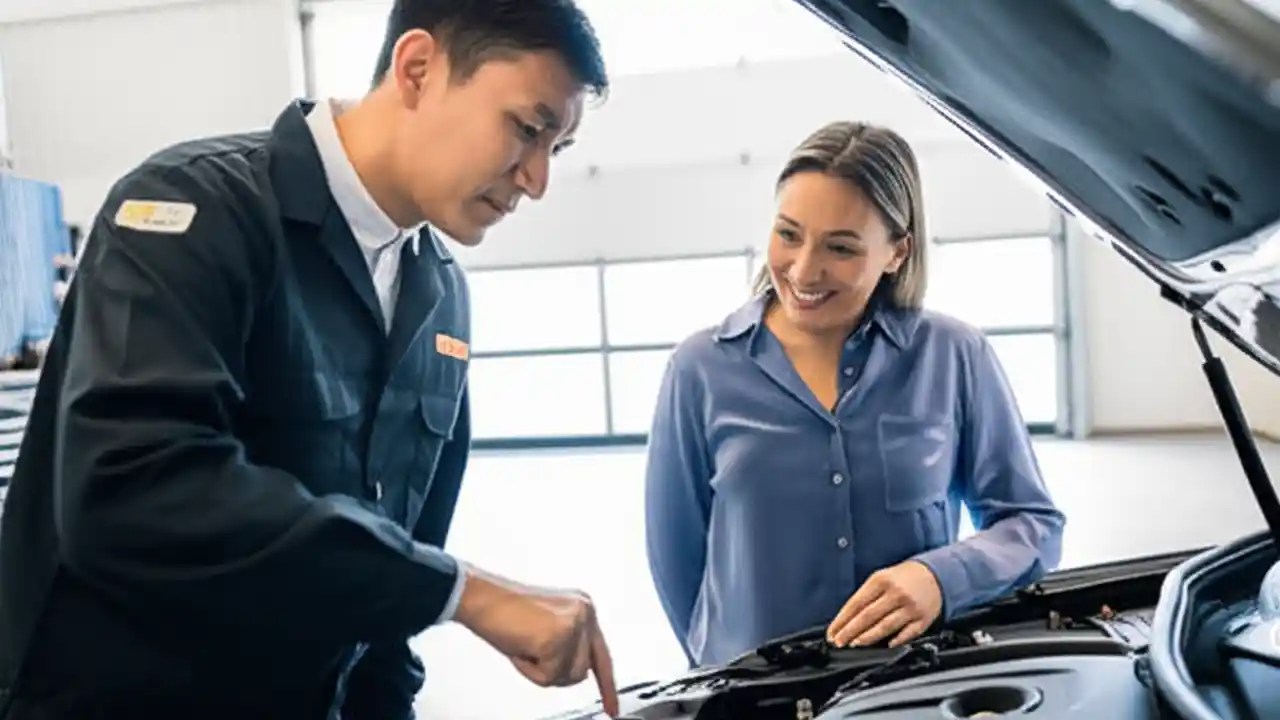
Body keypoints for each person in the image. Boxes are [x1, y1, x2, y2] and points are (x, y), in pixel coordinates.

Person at [0, 1, 622, 717]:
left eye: (559, 150)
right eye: (528, 128)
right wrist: (464, 591)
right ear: (418, 69)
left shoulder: (439, 294)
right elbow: (131, 490)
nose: (537, 179)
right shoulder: (195, 207)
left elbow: (385, 603)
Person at [643, 120, 1066, 668]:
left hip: (907, 688)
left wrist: (939, 578)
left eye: (840, 247)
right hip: (756, 700)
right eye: (789, 234)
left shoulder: (954, 355)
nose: (803, 269)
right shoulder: (699, 369)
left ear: (897, 252)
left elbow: (1031, 523)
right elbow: (677, 563)